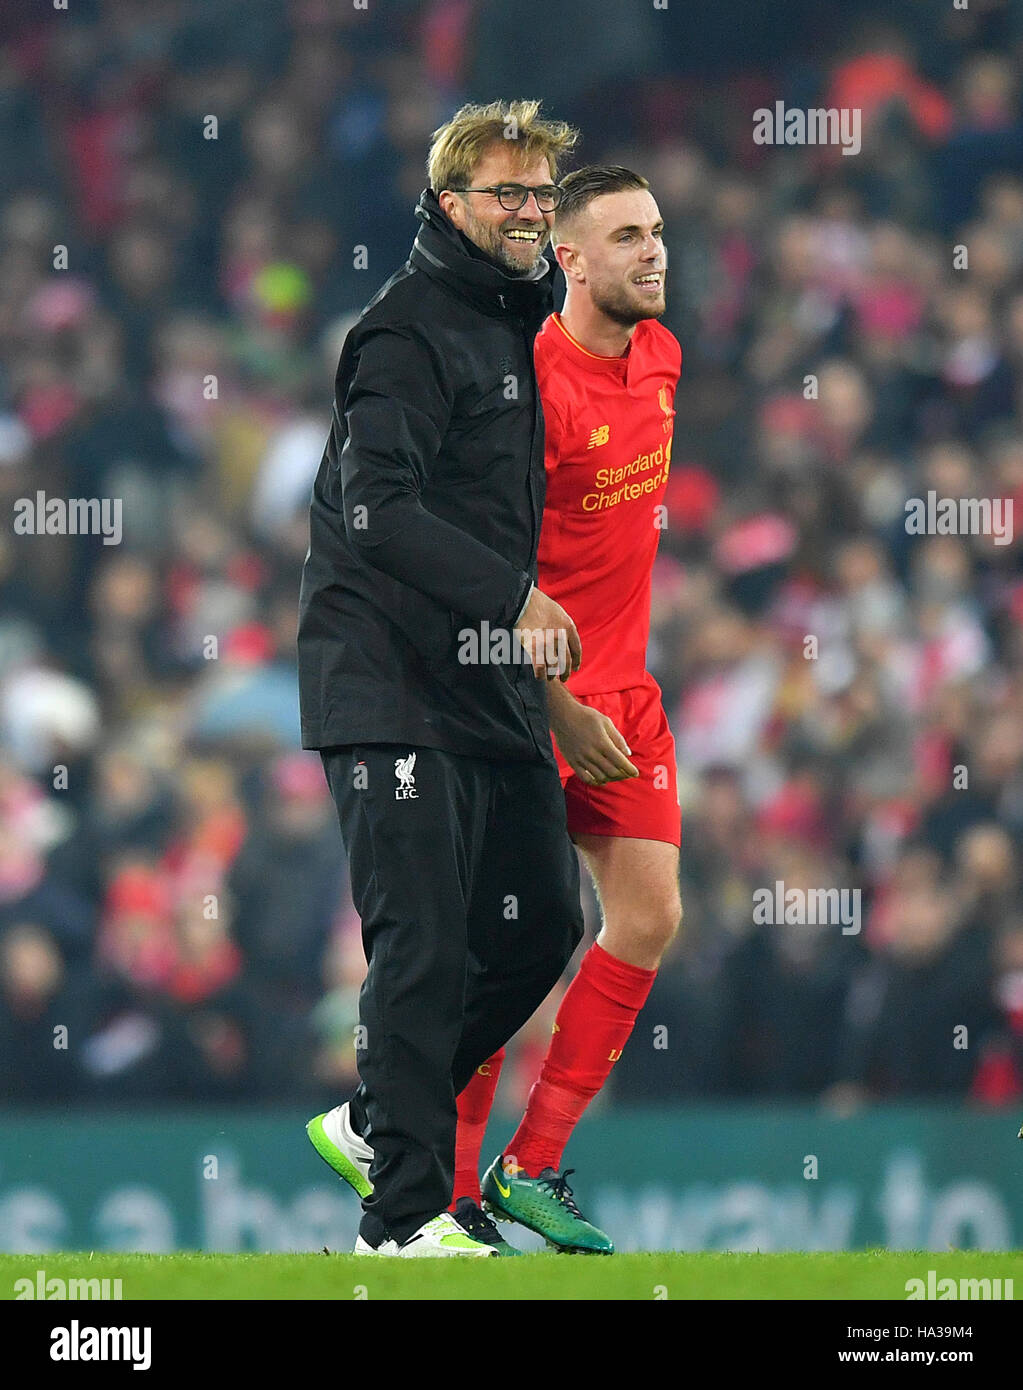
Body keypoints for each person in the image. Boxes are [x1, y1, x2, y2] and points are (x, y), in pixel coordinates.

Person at [298, 101, 588, 1257]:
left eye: (540, 195)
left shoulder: (528, 327)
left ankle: (382, 1119)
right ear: (447, 203)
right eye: (504, 193)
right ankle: (402, 1221)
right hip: (388, 677)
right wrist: (515, 599)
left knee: (540, 922)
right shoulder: (407, 328)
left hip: (482, 685)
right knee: (419, 937)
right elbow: (377, 510)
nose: (527, 212)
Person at [460, 166, 685, 1253]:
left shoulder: (664, 355)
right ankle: (447, 1199)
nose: (653, 253)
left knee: (647, 918)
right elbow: (497, 570)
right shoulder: (530, 387)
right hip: (527, 690)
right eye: (627, 237)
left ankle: (531, 1164)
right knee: (510, 937)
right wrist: (555, 707)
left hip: (628, 691)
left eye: (658, 232)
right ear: (571, 260)